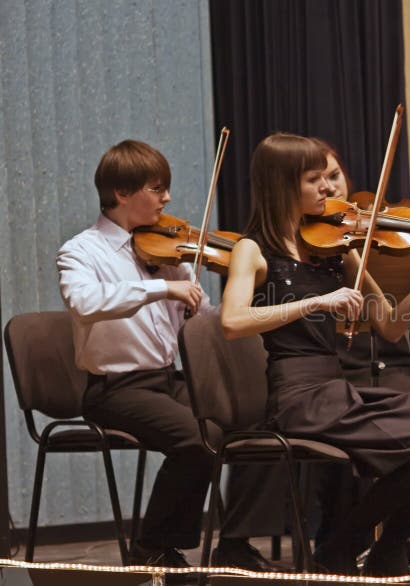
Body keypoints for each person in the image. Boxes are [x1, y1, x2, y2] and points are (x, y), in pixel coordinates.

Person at [218, 132, 410, 576]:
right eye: (313, 179)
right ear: (282, 185)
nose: (328, 188)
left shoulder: (336, 250)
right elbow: (232, 321)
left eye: (327, 177)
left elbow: (393, 325)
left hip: (335, 388)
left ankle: (367, 546)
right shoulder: (252, 251)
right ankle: (347, 547)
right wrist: (314, 303)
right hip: (297, 397)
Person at [56, 140, 249, 579]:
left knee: (247, 421)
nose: (167, 199)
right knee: (199, 439)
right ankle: (152, 547)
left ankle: (235, 544)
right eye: (157, 189)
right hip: (115, 390)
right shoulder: (81, 251)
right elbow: (85, 303)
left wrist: (237, 306)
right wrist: (162, 288)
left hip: (168, 380)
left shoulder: (168, 252)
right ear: (122, 193)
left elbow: (199, 319)